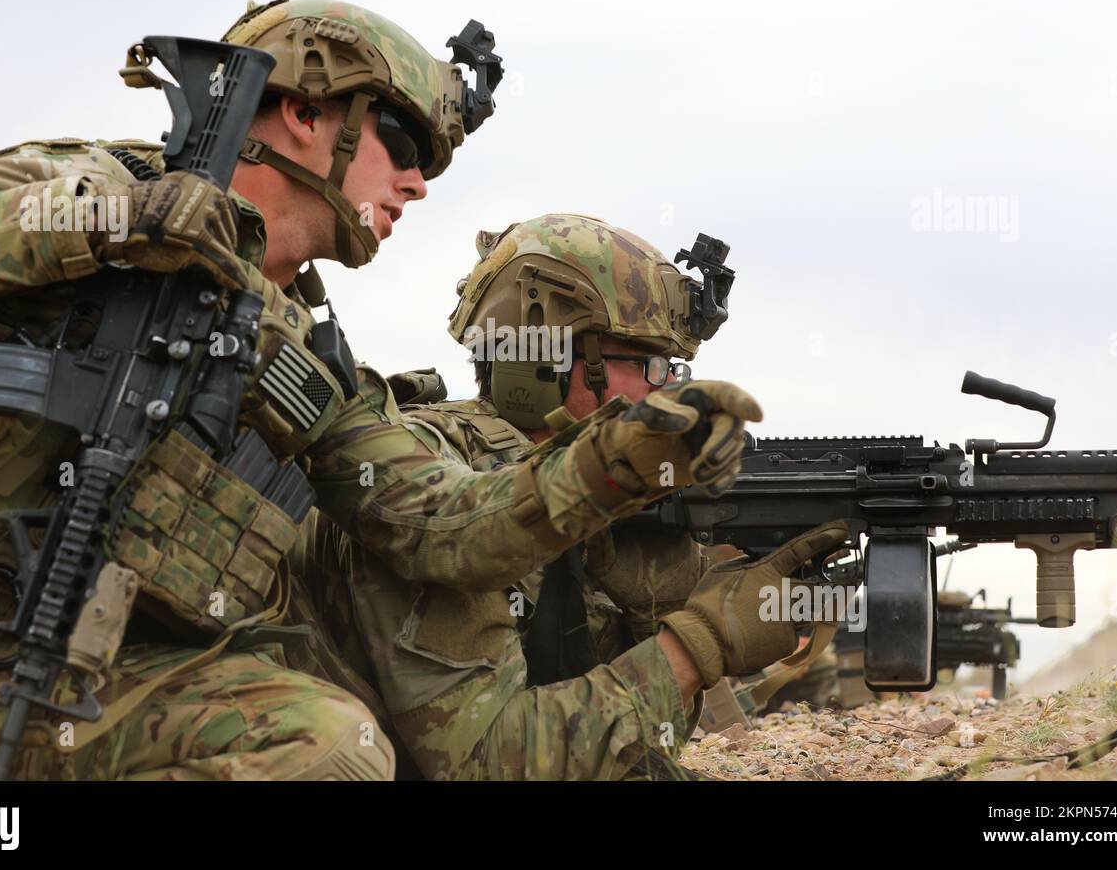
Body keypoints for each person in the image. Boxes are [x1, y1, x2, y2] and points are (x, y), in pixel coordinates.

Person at [0, 2, 763, 780]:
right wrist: (118, 224)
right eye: (403, 145)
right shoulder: (99, 186)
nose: (414, 184)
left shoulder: (306, 350)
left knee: (332, 749)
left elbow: (439, 521)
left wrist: (616, 461)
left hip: (98, 684)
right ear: (301, 111)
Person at [298, 214, 848, 779]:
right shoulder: (435, 474)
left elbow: (625, 750)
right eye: (650, 364)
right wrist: (697, 645)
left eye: (673, 367)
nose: (669, 390)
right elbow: (490, 763)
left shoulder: (594, 497)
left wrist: (649, 617)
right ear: (548, 359)